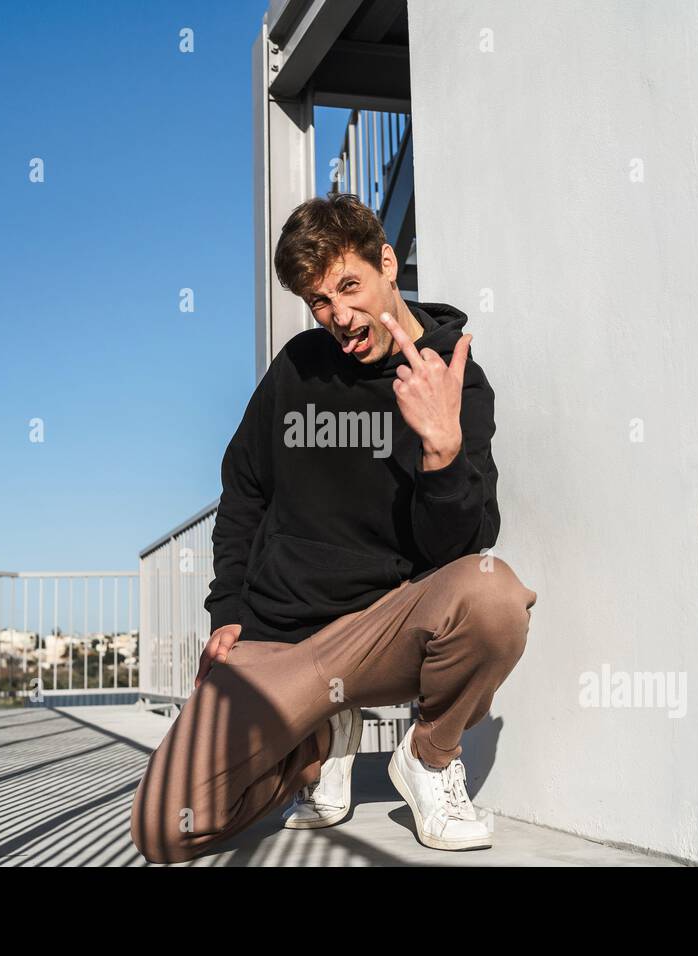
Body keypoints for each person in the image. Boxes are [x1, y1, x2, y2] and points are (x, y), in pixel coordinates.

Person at [130, 194, 537, 864]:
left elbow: (459, 549)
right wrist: (227, 611)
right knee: (166, 826)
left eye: (349, 286)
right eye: (319, 300)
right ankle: (317, 740)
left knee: (493, 595)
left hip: (382, 633)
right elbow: (245, 493)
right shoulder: (297, 369)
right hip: (283, 639)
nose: (340, 317)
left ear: (387, 263)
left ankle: (429, 760)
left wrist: (441, 451)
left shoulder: (452, 380)